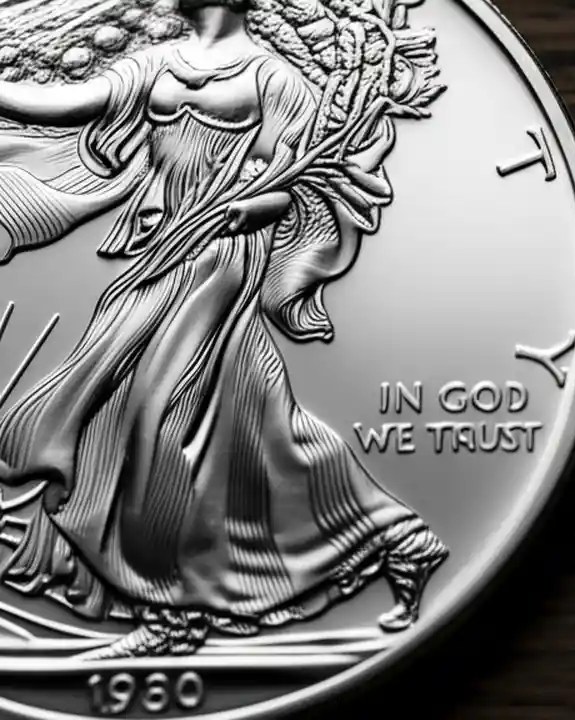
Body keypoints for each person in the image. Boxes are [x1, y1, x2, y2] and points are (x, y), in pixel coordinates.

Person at [0, 0, 448, 659]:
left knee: (159, 413)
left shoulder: (275, 79)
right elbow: (61, 105)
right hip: (161, 253)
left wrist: (243, 211)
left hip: (221, 256)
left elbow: (289, 187)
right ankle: (393, 538)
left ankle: (170, 615)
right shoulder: (154, 63)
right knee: (231, 416)